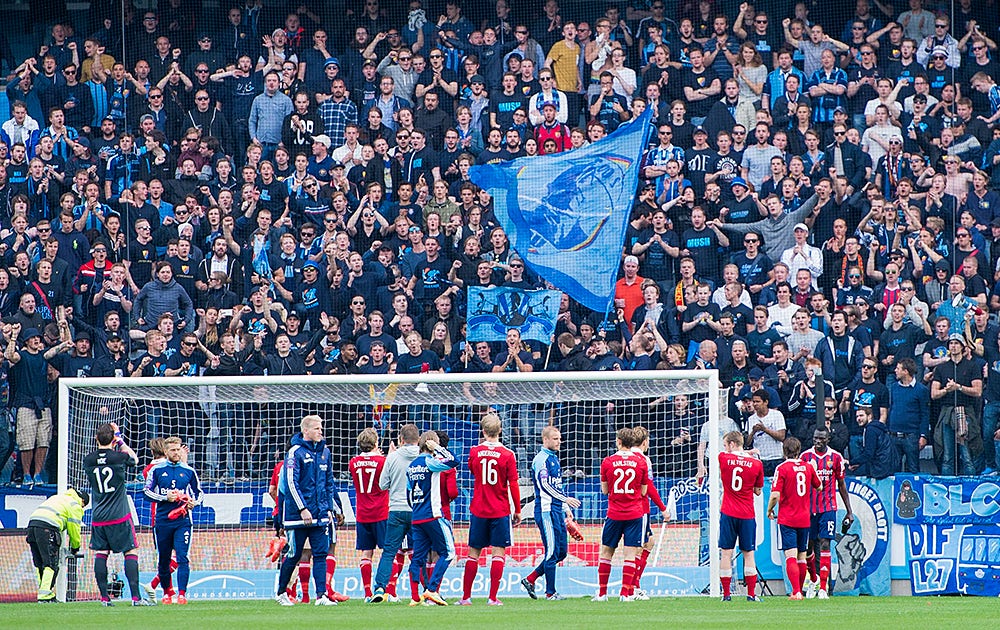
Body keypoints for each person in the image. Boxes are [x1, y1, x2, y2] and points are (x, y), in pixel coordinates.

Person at [273, 416, 340, 607]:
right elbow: (291, 483)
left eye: (321, 428)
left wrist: (328, 509)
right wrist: (302, 508)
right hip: (298, 516)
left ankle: (321, 596)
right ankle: (281, 592)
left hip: (320, 515)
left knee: (321, 554)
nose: (321, 431)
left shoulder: (325, 452)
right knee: (294, 554)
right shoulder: (295, 453)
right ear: (306, 431)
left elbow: (328, 484)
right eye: (317, 428)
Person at [83, 422, 151, 606]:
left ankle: (105, 598)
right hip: (119, 514)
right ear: (113, 439)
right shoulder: (119, 457)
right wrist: (120, 439)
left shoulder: (88, 460)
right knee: (130, 551)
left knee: (101, 553)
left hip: (98, 516)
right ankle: (136, 598)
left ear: (96, 438)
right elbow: (135, 460)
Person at [459, 413, 521, 606]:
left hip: (479, 509)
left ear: (483, 431)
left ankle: (466, 597)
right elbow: (513, 484)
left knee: (473, 553)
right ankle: (492, 598)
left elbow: (472, 470)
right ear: (500, 430)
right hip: (500, 509)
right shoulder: (508, 454)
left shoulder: (474, 451)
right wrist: (517, 509)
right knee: (498, 553)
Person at [522, 425, 581, 600]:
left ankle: (530, 579)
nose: (559, 441)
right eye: (555, 439)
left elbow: (557, 486)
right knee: (551, 552)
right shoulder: (541, 459)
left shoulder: (554, 459)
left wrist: (566, 509)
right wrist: (565, 500)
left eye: (560, 438)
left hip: (557, 510)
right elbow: (544, 485)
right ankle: (550, 593)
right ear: (546, 439)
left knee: (561, 552)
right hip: (546, 511)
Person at [142, 436, 204, 605]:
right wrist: (164, 497)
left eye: (178, 450)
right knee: (164, 558)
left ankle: (182, 594)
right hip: (162, 520)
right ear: (166, 451)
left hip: (183, 521)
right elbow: (146, 492)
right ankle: (167, 593)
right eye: (173, 450)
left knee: (183, 556)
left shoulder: (189, 471)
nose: (176, 453)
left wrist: (193, 502)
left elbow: (199, 493)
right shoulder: (157, 470)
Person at [405, 430, 460, 606]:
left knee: (418, 557)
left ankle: (415, 597)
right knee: (448, 552)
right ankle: (432, 589)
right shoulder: (432, 462)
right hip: (434, 515)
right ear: (431, 445)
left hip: (417, 517)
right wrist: (438, 448)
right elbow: (454, 461)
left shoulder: (411, 466)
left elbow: (409, 495)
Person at [594, 428, 648, 602]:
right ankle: (625, 594)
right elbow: (643, 491)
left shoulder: (608, 462)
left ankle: (602, 594)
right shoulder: (641, 462)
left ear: (618, 441)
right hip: (634, 513)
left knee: (606, 552)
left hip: (614, 513)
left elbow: (604, 490)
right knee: (630, 554)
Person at [799, 427, 854, 599]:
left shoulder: (835, 457)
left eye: (821, 438)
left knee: (825, 544)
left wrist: (849, 511)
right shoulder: (805, 457)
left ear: (828, 439)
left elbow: (842, 485)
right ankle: (813, 581)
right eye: (815, 438)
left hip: (828, 508)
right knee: (808, 546)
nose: (817, 441)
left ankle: (823, 588)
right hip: (808, 509)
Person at [370, 423, 421, 603]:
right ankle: (428, 590)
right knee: (419, 552)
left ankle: (380, 587)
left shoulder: (392, 458)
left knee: (389, 552)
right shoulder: (425, 457)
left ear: (401, 439)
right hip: (418, 510)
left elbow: (382, 485)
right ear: (418, 439)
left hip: (397, 509)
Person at [767, 437, 821, 600]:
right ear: (799, 451)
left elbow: (775, 495)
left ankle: (796, 591)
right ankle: (800, 591)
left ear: (784, 451)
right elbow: (819, 486)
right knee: (801, 557)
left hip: (788, 518)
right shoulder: (807, 467)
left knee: (790, 556)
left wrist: (769, 509)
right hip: (804, 518)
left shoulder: (782, 468)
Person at [718, 430, 764, 602]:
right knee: (749, 554)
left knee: (726, 554)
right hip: (746, 513)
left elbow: (731, 456)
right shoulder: (756, 464)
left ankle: (726, 595)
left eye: (725, 445)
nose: (725, 448)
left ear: (731, 444)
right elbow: (758, 491)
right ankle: (751, 594)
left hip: (728, 512)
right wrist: (749, 454)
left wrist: (744, 453)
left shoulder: (723, 459)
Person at [25, 487, 89, 602]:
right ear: (83, 501)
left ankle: (44, 590)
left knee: (39, 562)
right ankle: (45, 595)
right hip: (48, 527)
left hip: (32, 525)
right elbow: (74, 530)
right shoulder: (75, 505)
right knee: (51, 563)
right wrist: (75, 547)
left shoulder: (58, 497)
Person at [348, 427, 388, 602]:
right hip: (381, 512)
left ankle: (367, 594)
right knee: (388, 552)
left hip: (362, 513)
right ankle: (387, 590)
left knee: (366, 553)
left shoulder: (353, 462)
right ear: (376, 443)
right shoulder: (383, 461)